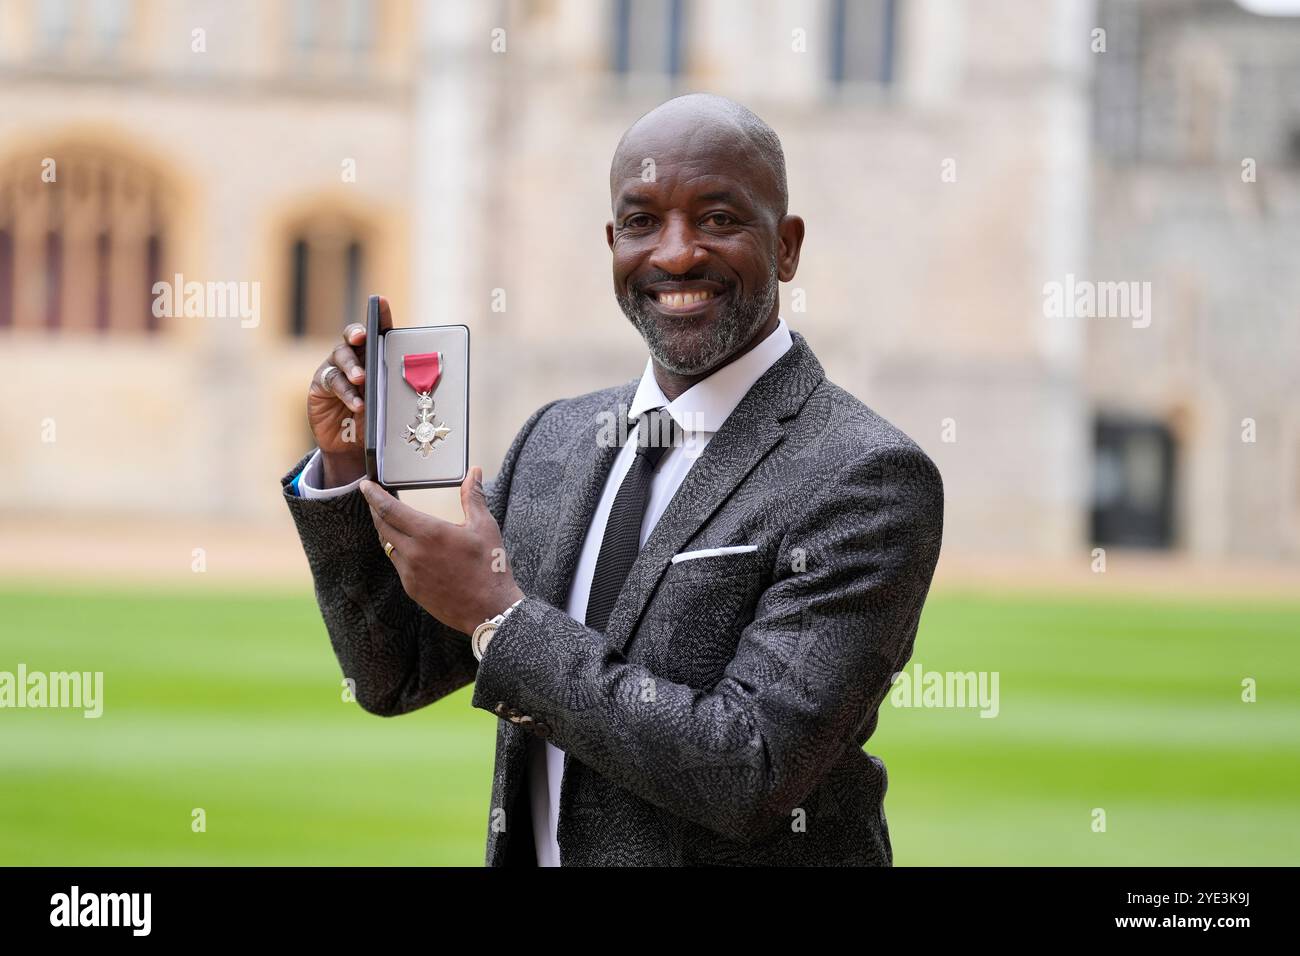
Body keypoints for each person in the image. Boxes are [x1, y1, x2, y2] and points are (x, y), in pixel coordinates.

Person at [282, 93, 944, 866]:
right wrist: (342, 466)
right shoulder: (554, 440)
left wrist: (503, 622)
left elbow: (750, 770)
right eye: (641, 222)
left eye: (719, 219)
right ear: (612, 244)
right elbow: (392, 674)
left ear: (788, 247)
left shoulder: (865, 477)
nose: (674, 254)